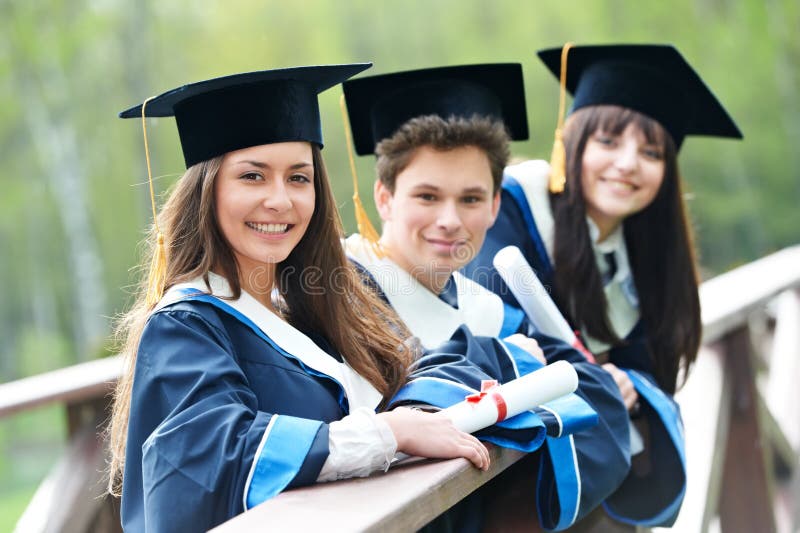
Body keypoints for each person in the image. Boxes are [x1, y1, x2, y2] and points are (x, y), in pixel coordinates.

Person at [106, 64, 549, 532]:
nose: (280, 201)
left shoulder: (316, 308)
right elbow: (209, 459)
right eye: (253, 176)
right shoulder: (187, 326)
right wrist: (389, 433)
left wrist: (464, 381)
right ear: (206, 190)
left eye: (299, 178)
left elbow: (415, 367)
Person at [464, 44, 743, 529]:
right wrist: (595, 378)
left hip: (597, 481)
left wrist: (630, 387)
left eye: (651, 152)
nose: (628, 163)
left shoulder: (651, 255)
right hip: (507, 483)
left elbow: (652, 370)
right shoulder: (511, 206)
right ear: (572, 144)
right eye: (609, 143)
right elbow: (493, 328)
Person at [341, 64, 630, 531]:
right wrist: (511, 363)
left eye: (471, 199)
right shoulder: (337, 299)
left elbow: (590, 396)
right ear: (384, 197)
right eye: (428, 196)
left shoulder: (492, 310)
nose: (450, 220)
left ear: (496, 205)